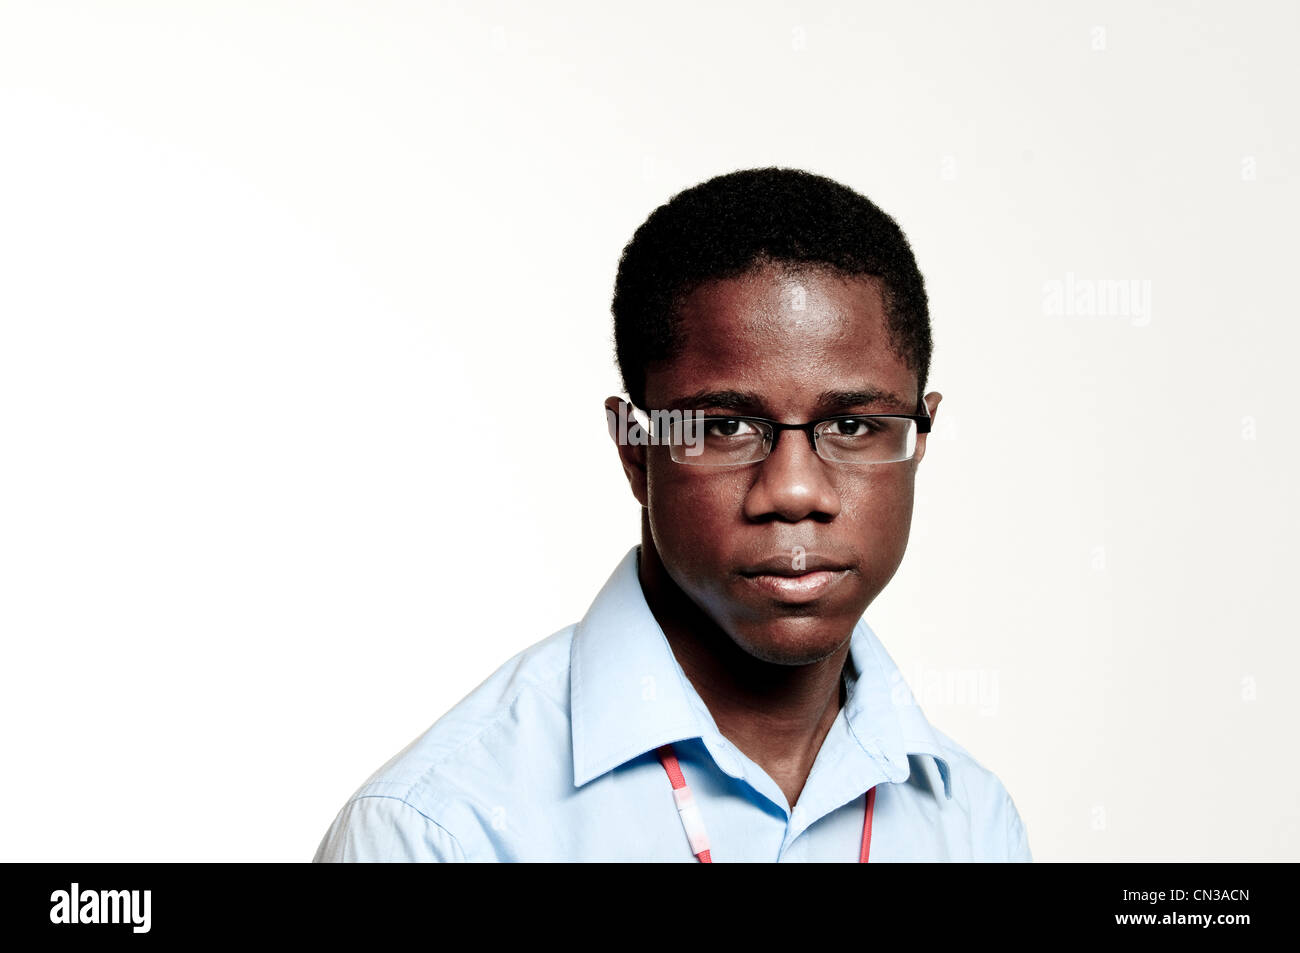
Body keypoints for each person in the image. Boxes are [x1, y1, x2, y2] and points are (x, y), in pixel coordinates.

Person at [313, 167, 1032, 862]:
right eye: (724, 427)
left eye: (850, 427)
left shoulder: (973, 823)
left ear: (918, 440)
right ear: (635, 452)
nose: (793, 491)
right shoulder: (438, 832)